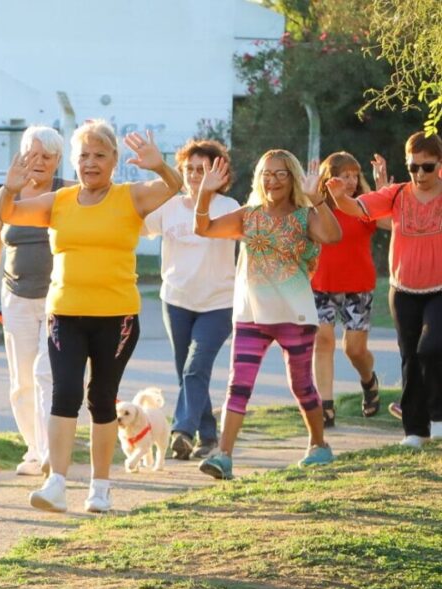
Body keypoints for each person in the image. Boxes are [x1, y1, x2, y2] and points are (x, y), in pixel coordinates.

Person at [0, 119, 183, 513]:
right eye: (84, 155)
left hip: (116, 318)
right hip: (65, 315)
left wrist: (159, 165)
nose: (91, 163)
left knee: (101, 398)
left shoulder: (131, 196)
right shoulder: (59, 200)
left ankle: (100, 487)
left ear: (115, 159)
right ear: (74, 161)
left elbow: (174, 186)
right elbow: (8, 212)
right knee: (64, 394)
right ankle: (56, 483)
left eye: (100, 155)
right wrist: (9, 187)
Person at [195, 150, 342, 480]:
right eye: (266, 174)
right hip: (252, 314)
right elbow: (203, 228)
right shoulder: (248, 215)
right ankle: (223, 456)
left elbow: (333, 236)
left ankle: (319, 445)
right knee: (238, 385)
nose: (272, 181)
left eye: (280, 174)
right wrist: (205, 192)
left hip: (295, 314)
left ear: (292, 178)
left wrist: (318, 200)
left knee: (302, 385)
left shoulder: (306, 216)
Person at [326, 131, 442, 448]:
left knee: (432, 349)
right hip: (403, 291)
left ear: (439, 165)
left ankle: (438, 417)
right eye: (413, 167)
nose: (420, 174)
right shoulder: (396, 194)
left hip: (439, 290)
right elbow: (356, 208)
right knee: (410, 358)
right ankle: (415, 431)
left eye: (427, 167)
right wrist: (338, 196)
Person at [0, 125, 69, 476]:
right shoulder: (8, 195)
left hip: (58, 298)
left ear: (58, 160)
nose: (39, 162)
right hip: (15, 296)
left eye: (47, 156)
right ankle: (34, 448)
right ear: (21, 156)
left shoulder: (68, 192)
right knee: (22, 381)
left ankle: (49, 451)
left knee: (46, 373)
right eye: (33, 155)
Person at [141, 139, 238, 461]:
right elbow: (135, 225)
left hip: (218, 304)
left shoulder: (229, 207)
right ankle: (207, 436)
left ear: (219, 174)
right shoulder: (168, 207)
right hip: (176, 301)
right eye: (189, 169)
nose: (195, 175)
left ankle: (181, 431)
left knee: (195, 368)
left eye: (202, 169)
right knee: (188, 370)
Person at [311, 151, 384, 426]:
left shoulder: (364, 206)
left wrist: (383, 191)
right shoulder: (316, 208)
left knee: (354, 350)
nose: (352, 181)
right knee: (323, 341)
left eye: (355, 175)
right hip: (321, 285)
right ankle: (325, 407)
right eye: (345, 175)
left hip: (358, 287)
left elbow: (391, 222)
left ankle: (369, 380)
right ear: (330, 179)